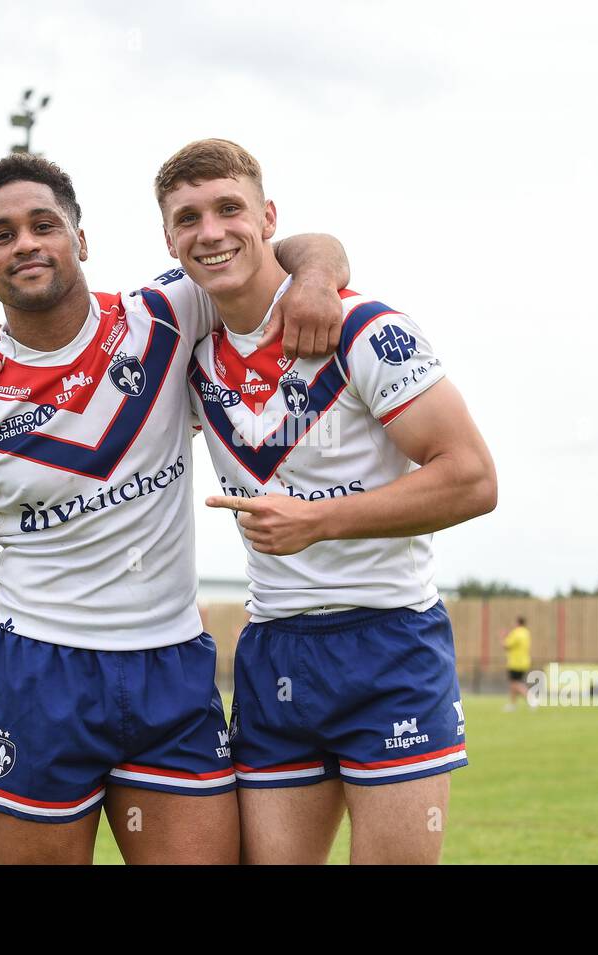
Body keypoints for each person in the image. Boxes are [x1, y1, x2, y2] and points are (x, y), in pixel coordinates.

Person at [0, 153, 350, 864]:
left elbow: (303, 247)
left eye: (45, 225)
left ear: (82, 240)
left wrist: (315, 280)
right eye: (2, 235)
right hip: (37, 675)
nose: (27, 243)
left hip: (171, 669)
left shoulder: (166, 314)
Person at [157, 138, 497, 863]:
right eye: (188, 218)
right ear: (169, 237)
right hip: (274, 646)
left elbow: (472, 476)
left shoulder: (365, 328)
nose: (210, 232)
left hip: (389, 641)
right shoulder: (183, 346)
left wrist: (319, 521)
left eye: (229, 209)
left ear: (268, 217)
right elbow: (73, 340)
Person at [502, 616, 533, 711]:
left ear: (517, 623)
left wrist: (504, 636)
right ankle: (513, 704)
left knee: (515, 684)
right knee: (514, 683)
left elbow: (506, 645)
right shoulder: (527, 633)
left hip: (515, 662)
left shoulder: (516, 633)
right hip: (525, 661)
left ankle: (531, 698)